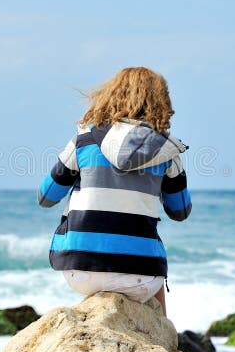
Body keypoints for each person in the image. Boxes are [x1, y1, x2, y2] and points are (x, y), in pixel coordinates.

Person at [37, 66, 191, 316]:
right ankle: (164, 338)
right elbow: (180, 211)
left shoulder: (84, 142)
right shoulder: (167, 151)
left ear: (111, 95)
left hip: (81, 271)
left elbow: (45, 197)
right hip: (140, 278)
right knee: (151, 269)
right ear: (161, 102)